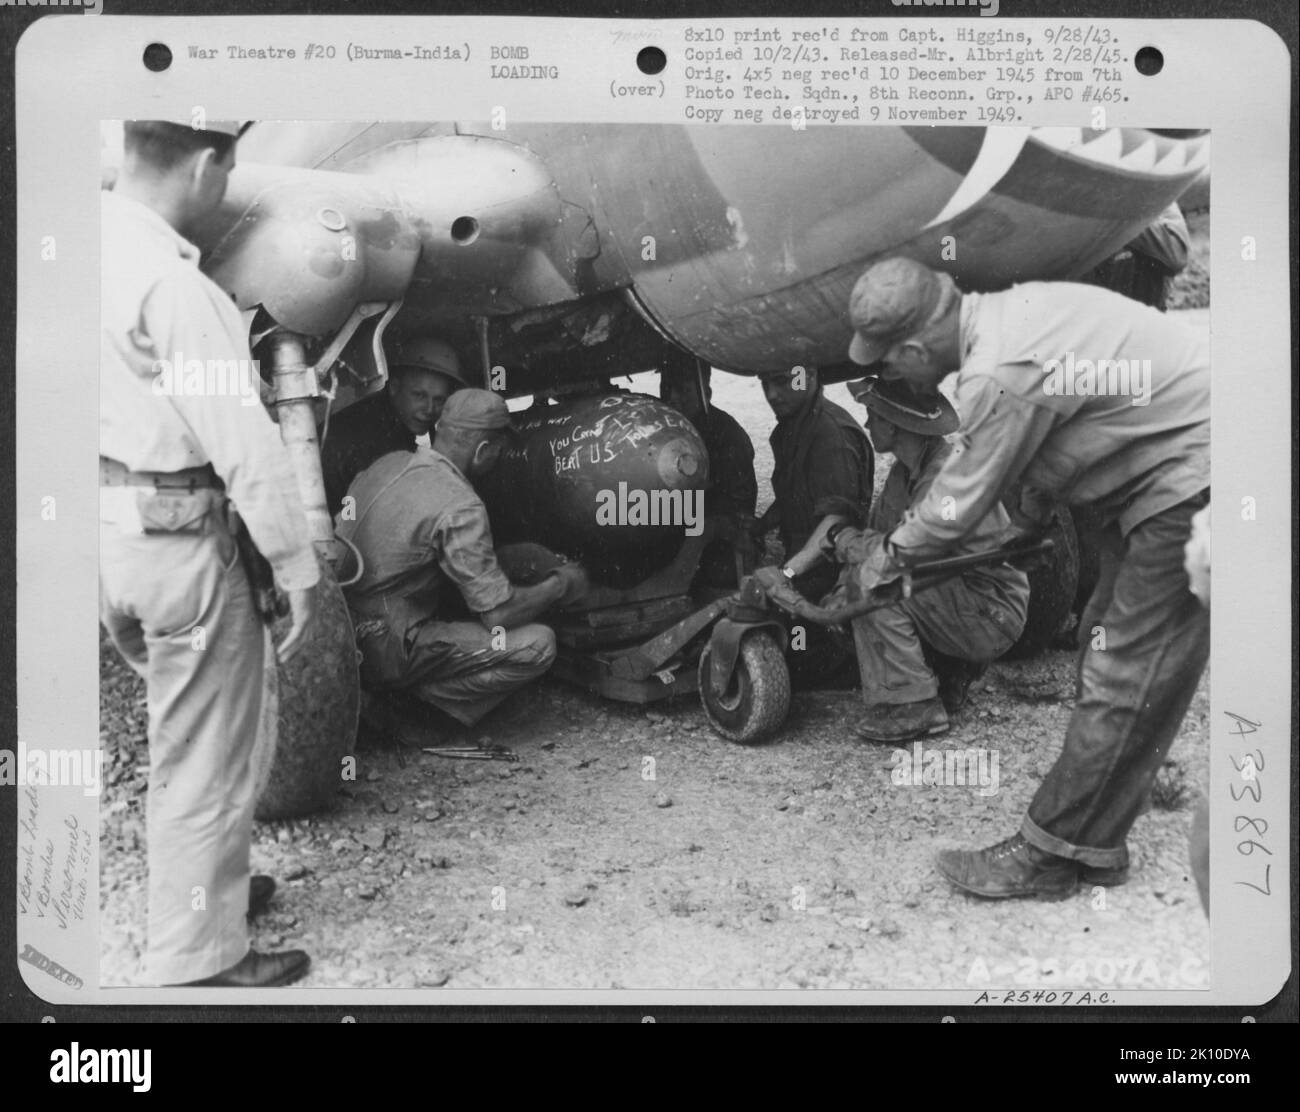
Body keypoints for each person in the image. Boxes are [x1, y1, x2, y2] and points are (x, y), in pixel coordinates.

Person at [844, 256, 1208, 900]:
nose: (895, 377)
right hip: (1165, 476)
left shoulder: (996, 372)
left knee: (1124, 668)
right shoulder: (1011, 316)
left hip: (1187, 482)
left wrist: (888, 559)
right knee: (1105, 646)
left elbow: (957, 501)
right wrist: (1030, 522)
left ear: (914, 349)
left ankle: (1048, 854)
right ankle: (1095, 843)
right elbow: (1051, 431)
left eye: (891, 363)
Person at [100, 120, 319, 987]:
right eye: (227, 169)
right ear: (203, 164)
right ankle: (197, 956)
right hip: (185, 542)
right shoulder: (178, 287)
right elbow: (247, 450)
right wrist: (298, 566)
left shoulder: (84, 256)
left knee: (180, 739)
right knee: (209, 759)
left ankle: (206, 898)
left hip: (118, 539)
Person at [336, 389, 588, 726]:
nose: (499, 459)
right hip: (384, 649)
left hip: (338, 634)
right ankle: (413, 713)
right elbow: (498, 616)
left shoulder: (388, 463)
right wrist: (561, 584)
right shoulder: (461, 504)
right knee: (538, 644)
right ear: (482, 451)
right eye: (498, 451)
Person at [823, 377, 1030, 740]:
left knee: (874, 591)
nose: (867, 424)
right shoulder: (905, 474)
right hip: (964, 596)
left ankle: (916, 706)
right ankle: (946, 671)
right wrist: (843, 587)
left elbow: (906, 553)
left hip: (992, 611)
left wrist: (848, 545)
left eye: (873, 416)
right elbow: (881, 535)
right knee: (860, 585)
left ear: (894, 425)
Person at [753, 364, 874, 683]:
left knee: (795, 663)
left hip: (831, 573)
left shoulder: (830, 436)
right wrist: (760, 526)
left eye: (782, 381)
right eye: (765, 384)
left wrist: (787, 574)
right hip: (806, 564)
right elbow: (795, 495)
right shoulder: (795, 427)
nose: (772, 394)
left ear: (810, 376)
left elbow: (836, 522)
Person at [321, 333, 468, 517]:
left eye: (439, 400)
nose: (430, 409)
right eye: (419, 395)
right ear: (394, 388)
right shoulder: (374, 436)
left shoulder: (390, 421)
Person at [661, 358, 757, 587]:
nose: (672, 397)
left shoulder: (728, 435)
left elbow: (737, 510)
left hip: (717, 546)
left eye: (682, 389)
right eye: (667, 388)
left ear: (707, 393)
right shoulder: (666, 429)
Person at [1080, 202, 1190, 310]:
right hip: (1090, 309)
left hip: (1140, 310)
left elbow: (1175, 255)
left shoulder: (1154, 196)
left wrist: (1116, 215)